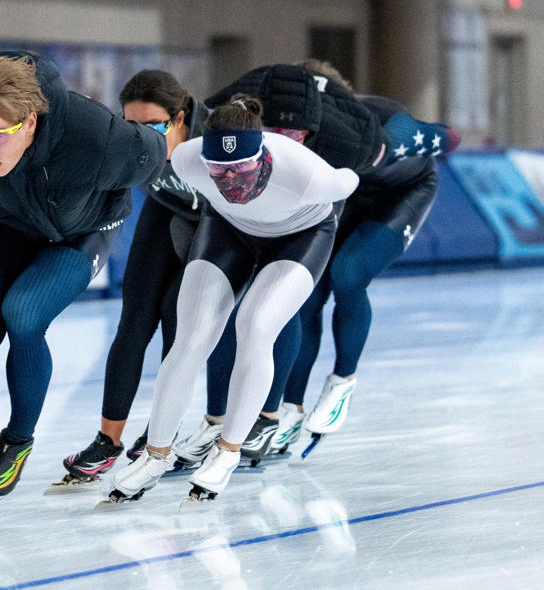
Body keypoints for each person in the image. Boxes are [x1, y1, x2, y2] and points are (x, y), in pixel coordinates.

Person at [0, 51, 165, 517]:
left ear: (28, 123)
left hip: (84, 229)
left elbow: (158, 147)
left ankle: (16, 441)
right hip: (6, 219)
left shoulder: (99, 141)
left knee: (23, 314)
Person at [196, 61, 458, 462]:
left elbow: (446, 139)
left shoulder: (377, 121)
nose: (291, 135)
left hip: (401, 194)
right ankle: (290, 409)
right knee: (304, 295)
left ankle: (342, 380)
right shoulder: (296, 128)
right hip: (347, 193)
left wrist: (431, 137)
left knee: (348, 272)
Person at [108, 94, 359, 502]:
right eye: (218, 172)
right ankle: (155, 454)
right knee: (191, 338)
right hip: (229, 230)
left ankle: (228, 450)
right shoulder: (189, 160)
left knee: (256, 326)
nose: (229, 181)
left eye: (240, 169)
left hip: (299, 237)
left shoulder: (308, 174)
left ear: (262, 156)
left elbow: (351, 179)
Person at [57, 70, 210, 486]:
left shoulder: (213, 139)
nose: (142, 138)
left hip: (217, 226)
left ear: (180, 119)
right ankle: (108, 441)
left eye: (154, 127)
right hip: (168, 210)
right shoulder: (125, 144)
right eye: (132, 127)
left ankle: (162, 433)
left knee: (174, 317)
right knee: (134, 321)